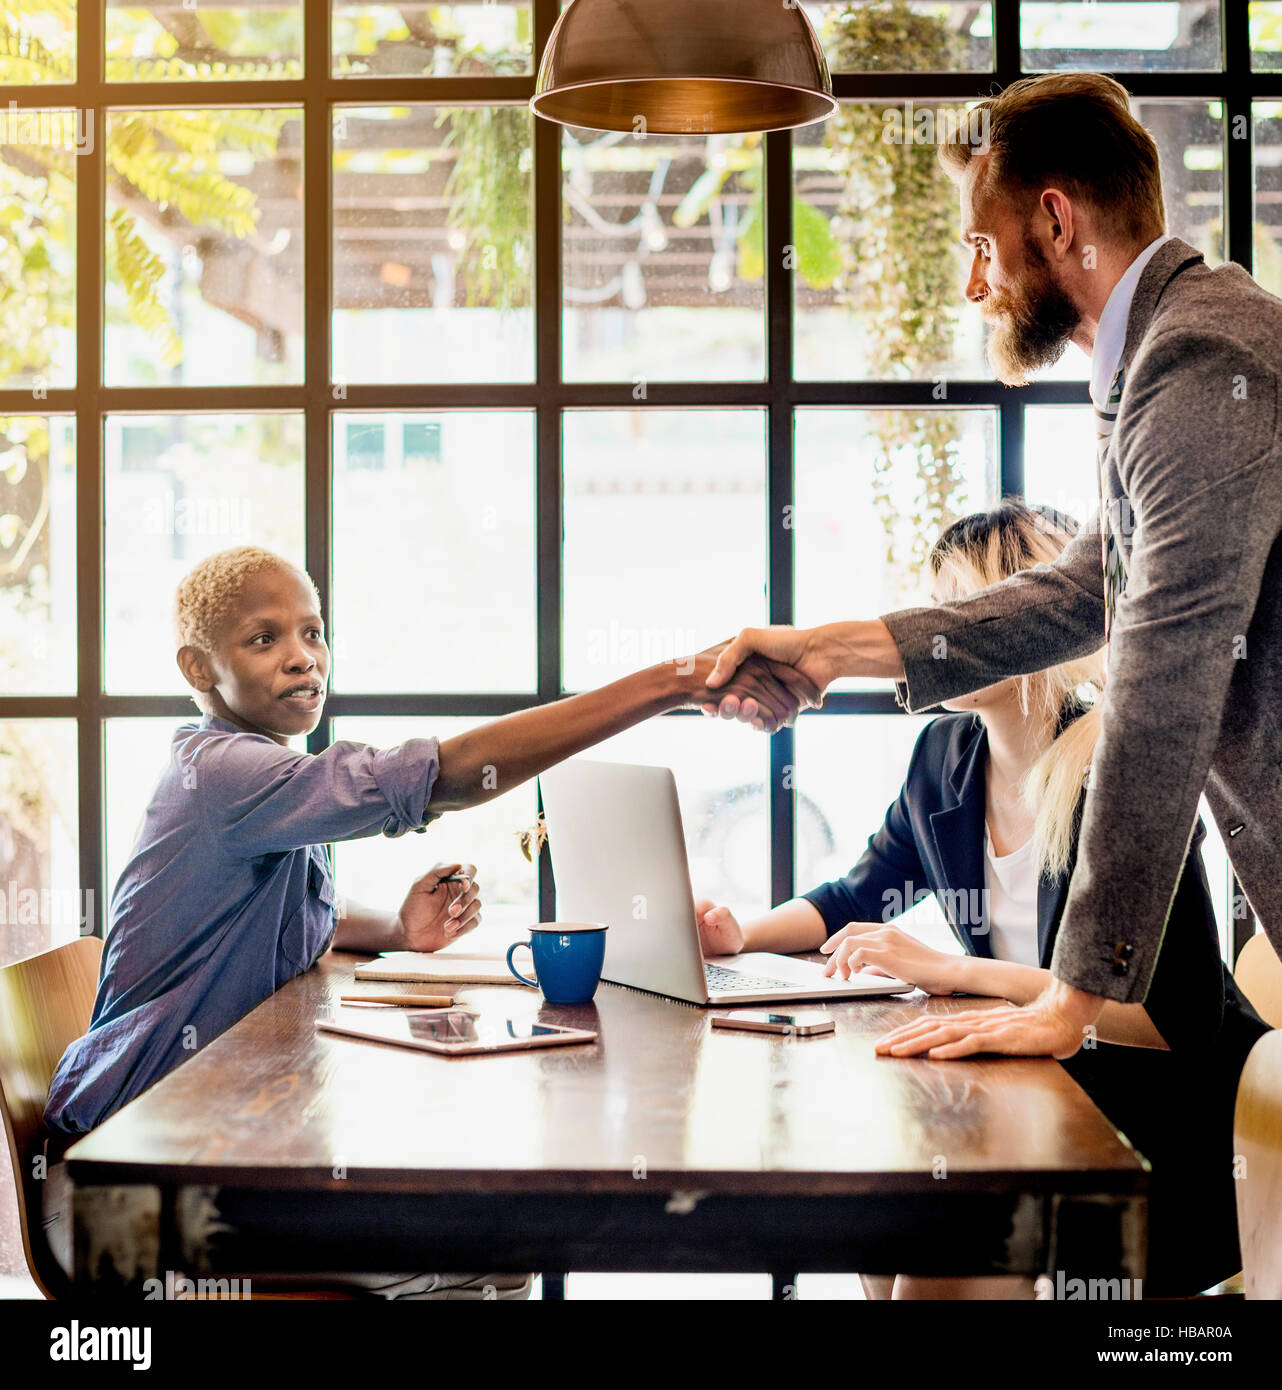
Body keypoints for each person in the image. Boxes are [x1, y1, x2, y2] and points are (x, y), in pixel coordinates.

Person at [41, 545, 813, 1297]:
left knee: (497, 1256)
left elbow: (295, 915)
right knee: (482, 1261)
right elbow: (439, 777)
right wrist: (672, 681)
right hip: (126, 1200)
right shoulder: (220, 774)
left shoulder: (255, 774)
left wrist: (398, 930)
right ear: (197, 669)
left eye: (313, 632)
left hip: (198, 1153)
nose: (303, 656)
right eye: (263, 638)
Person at [703, 71, 1282, 1062]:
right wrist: (828, 650)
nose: (975, 286)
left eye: (980, 247)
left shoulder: (1193, 365)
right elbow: (1083, 592)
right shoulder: (1168, 357)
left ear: (1054, 220)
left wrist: (1071, 997)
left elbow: (1161, 687)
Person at [696, 501, 1267, 1298]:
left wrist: (956, 973)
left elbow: (1168, 1022)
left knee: (942, 1246)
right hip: (1041, 1088)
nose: (940, 637)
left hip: (1162, 1118)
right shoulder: (946, 753)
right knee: (884, 1216)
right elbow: (860, 888)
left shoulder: (1119, 765)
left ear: (1027, 623)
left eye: (960, 612)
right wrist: (740, 933)